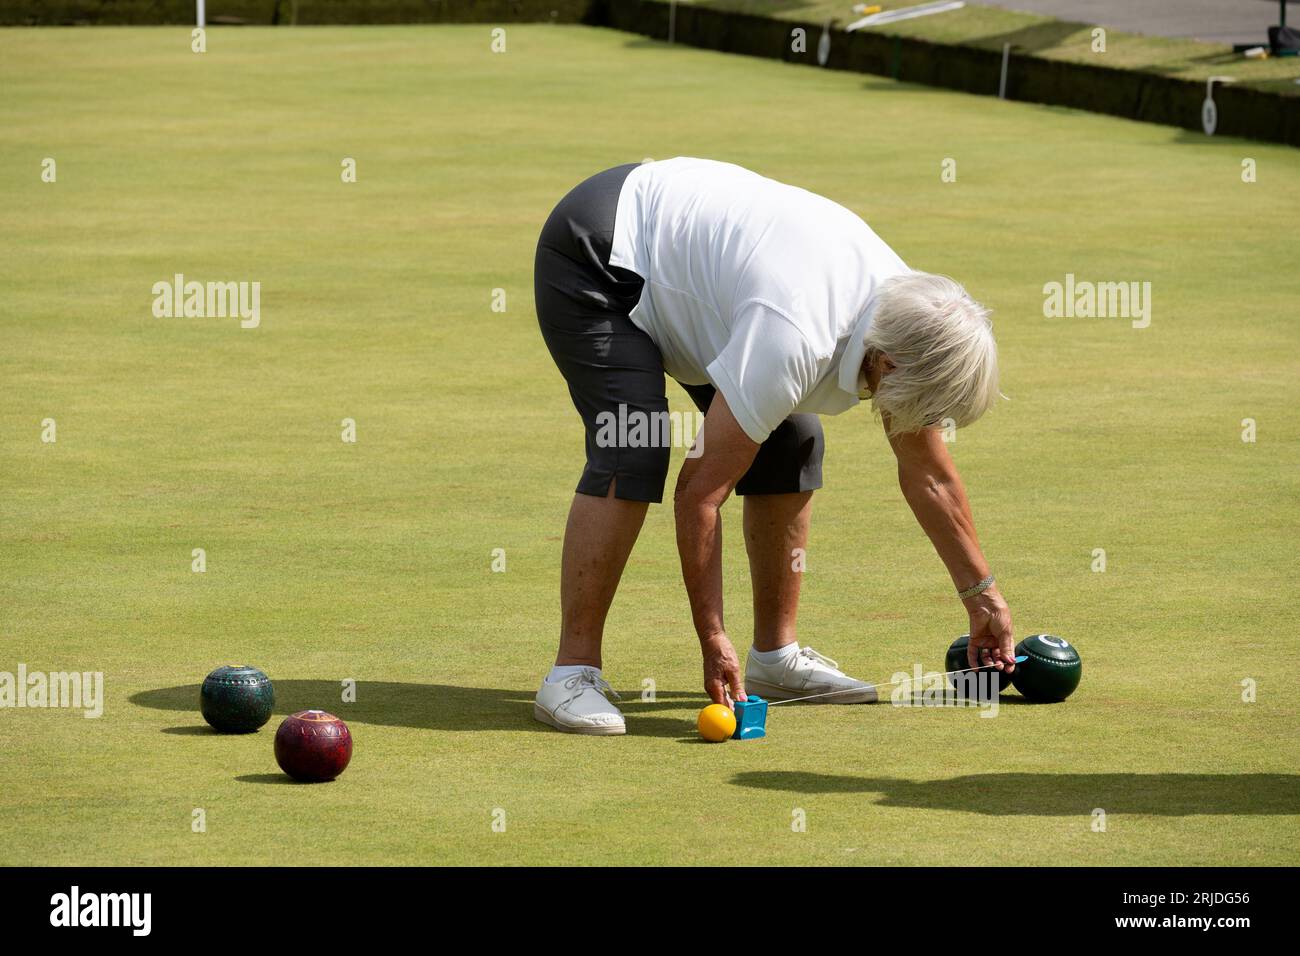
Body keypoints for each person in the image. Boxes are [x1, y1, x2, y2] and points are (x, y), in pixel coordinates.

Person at [532, 158, 1013, 736]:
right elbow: (700, 494)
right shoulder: (796, 335)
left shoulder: (914, 319)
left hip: (705, 276)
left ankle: (774, 659)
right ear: (887, 364)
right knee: (635, 441)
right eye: (926, 403)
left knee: (791, 440)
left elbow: (930, 475)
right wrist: (713, 640)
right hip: (604, 251)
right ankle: (572, 670)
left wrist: (983, 598)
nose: (927, 420)